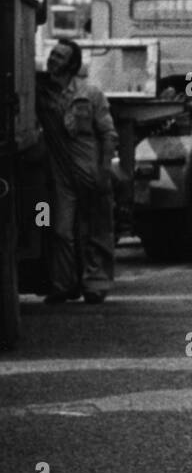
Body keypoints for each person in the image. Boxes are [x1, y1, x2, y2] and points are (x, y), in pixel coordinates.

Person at [36, 37, 118, 304]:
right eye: (52, 54)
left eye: (59, 57)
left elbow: (108, 134)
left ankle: (96, 285)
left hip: (90, 169)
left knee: (95, 230)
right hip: (61, 174)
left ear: (71, 64)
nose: (52, 59)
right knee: (60, 230)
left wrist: (105, 171)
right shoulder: (42, 92)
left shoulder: (89, 93)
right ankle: (64, 285)